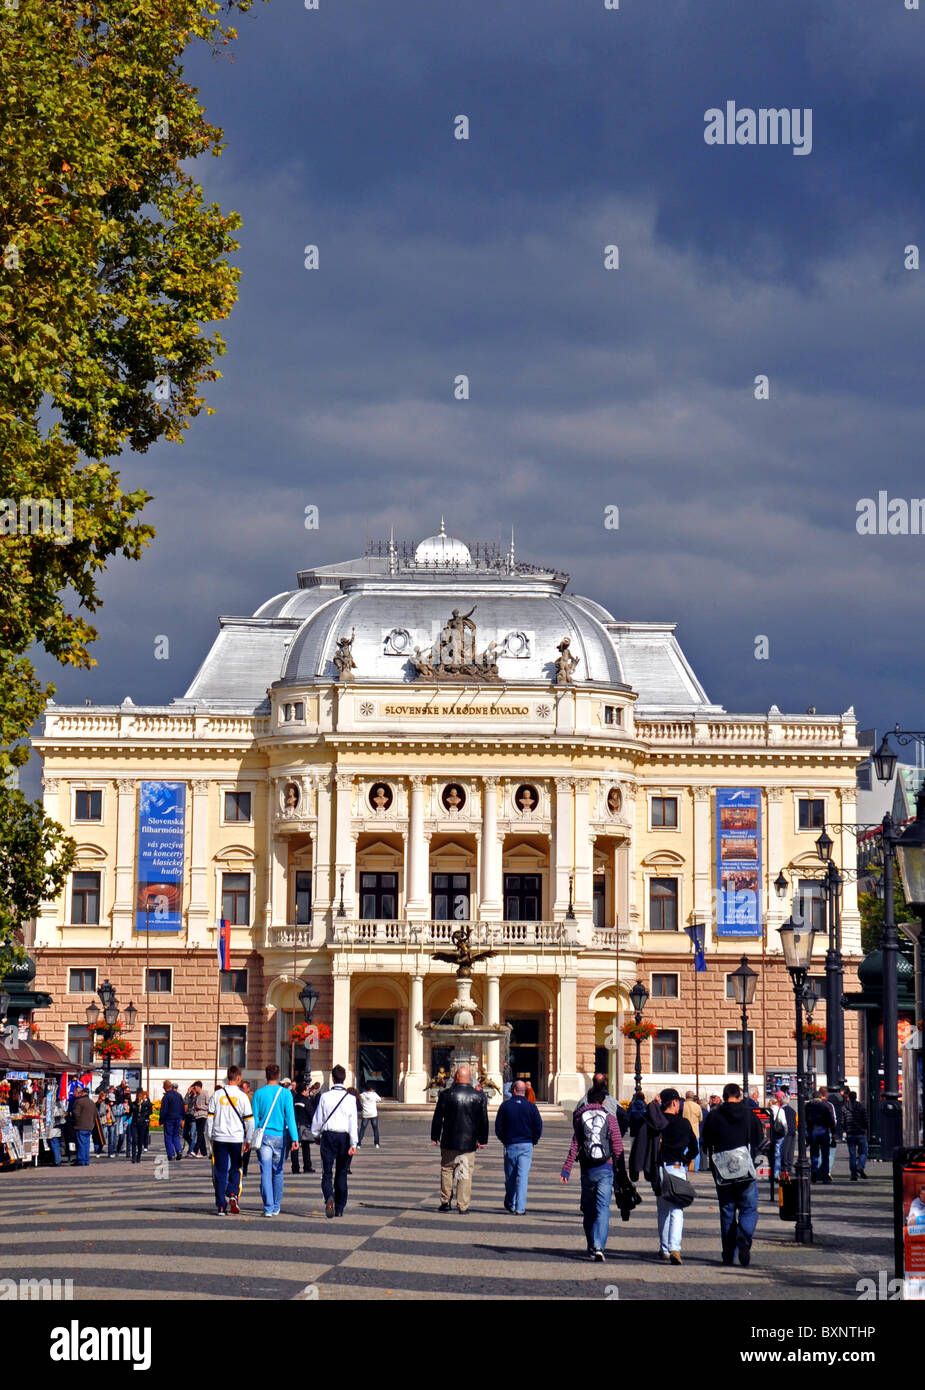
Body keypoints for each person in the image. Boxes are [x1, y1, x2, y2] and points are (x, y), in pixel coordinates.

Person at [702, 1082, 764, 1267]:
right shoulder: (749, 1115)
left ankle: (728, 1255)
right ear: (739, 1097)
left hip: (723, 1173)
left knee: (727, 1212)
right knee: (749, 1208)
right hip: (745, 1171)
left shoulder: (714, 1115)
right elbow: (759, 1140)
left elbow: (706, 1142)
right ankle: (743, 1235)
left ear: (723, 1096)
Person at [560, 1080, 624, 1261]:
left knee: (588, 1209)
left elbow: (575, 1144)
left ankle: (590, 1244)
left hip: (587, 1169)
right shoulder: (610, 1118)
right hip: (606, 1167)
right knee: (602, 1208)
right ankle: (598, 1246)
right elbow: (618, 1146)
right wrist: (623, 1171)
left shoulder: (581, 1117)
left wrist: (566, 1169)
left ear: (588, 1100)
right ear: (603, 1101)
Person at [431, 1065, 489, 1214]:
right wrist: (482, 1139)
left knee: (447, 1170)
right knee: (464, 1173)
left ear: (456, 1077)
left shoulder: (445, 1094)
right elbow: (483, 1119)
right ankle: (462, 1205)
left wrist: (435, 1136)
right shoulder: (478, 1096)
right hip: (468, 1142)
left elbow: (438, 1118)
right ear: (469, 1078)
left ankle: (445, 1202)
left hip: (449, 1140)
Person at [252, 1063, 299, 1217]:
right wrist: (295, 1138)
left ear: (266, 1076)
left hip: (264, 1136)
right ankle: (277, 1205)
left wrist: (251, 1136)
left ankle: (268, 1207)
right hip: (280, 1136)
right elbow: (290, 1117)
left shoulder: (258, 1094)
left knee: (265, 1172)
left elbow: (254, 1119)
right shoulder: (286, 1094)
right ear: (278, 1076)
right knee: (278, 1172)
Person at [312, 1065, 359, 1218]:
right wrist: (354, 1143)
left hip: (328, 1136)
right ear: (344, 1078)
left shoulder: (325, 1096)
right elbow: (353, 1123)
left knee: (326, 1172)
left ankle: (329, 1196)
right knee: (341, 1173)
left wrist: (316, 1135)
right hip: (344, 1137)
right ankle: (339, 1208)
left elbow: (318, 1119)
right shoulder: (351, 1099)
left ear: (332, 1078)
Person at [207, 1064, 255, 1215]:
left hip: (219, 1138)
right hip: (236, 1138)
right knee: (236, 1167)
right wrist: (249, 1139)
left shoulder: (217, 1095)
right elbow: (249, 1121)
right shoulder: (242, 1096)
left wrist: (210, 1138)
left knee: (220, 1171)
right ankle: (233, 1194)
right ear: (239, 1078)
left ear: (228, 1077)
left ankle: (221, 1205)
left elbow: (209, 1120)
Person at [495, 1079, 543, 1214]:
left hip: (510, 1144)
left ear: (514, 1091)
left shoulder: (505, 1106)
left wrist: (503, 1139)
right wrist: (533, 1140)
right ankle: (520, 1207)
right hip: (526, 1144)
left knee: (510, 1176)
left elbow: (498, 1126)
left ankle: (510, 1202)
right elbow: (538, 1126)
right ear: (524, 1091)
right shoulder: (531, 1107)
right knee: (522, 1177)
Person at [768, 1090, 796, 1194]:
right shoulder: (792, 1110)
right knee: (782, 1153)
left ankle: (776, 1173)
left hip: (776, 1134)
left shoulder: (774, 1110)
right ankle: (782, 1171)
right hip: (786, 1133)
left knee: (777, 1154)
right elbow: (786, 1124)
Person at [805, 1090, 835, 1184]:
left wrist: (807, 1134)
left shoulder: (808, 1106)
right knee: (825, 1154)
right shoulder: (825, 1106)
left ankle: (814, 1172)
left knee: (814, 1153)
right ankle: (825, 1175)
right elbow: (831, 1120)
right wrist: (833, 1133)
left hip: (813, 1131)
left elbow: (805, 1121)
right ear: (820, 1097)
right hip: (823, 1131)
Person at [291, 1079, 318, 1174]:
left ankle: (295, 1167)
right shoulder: (305, 1100)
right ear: (303, 1091)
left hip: (294, 1124)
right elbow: (311, 1113)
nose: (308, 1091)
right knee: (306, 1147)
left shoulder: (294, 1099)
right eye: (307, 1090)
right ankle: (307, 1166)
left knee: (294, 1147)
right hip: (304, 1125)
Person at [843, 1090, 869, 1181]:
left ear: (849, 1097)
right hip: (860, 1133)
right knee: (864, 1152)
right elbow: (865, 1120)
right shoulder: (861, 1107)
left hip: (850, 1133)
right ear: (856, 1097)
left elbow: (843, 1121)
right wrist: (865, 1127)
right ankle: (860, 1166)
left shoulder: (844, 1107)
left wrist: (845, 1129)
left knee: (852, 1155)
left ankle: (853, 1175)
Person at [819, 1086, 843, 1177]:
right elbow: (834, 1120)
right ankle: (827, 1171)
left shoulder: (812, 1104)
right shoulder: (829, 1105)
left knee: (818, 1152)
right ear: (826, 1094)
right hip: (826, 1131)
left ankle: (818, 1170)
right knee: (829, 1152)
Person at [71, 1087, 97, 1166]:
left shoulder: (79, 1102)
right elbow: (95, 1114)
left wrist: (75, 1122)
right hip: (89, 1126)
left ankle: (81, 1160)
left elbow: (75, 1113)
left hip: (80, 1125)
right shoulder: (91, 1102)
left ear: (82, 1093)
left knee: (81, 1143)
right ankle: (86, 1160)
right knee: (86, 1143)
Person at [160, 1081, 186, 1161]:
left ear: (165, 1087)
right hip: (178, 1118)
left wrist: (161, 1121)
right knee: (176, 1135)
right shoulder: (179, 1095)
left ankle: (171, 1154)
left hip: (169, 1118)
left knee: (168, 1136)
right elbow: (182, 1107)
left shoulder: (166, 1097)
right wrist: (183, 1118)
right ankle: (179, 1150)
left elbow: (164, 1110)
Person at [129, 1090, 152, 1163]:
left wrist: (145, 1113)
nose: (139, 1098)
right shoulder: (133, 1104)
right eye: (138, 1097)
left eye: (140, 1097)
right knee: (134, 1140)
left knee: (140, 1140)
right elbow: (130, 1113)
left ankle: (138, 1156)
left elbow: (150, 1111)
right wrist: (126, 1120)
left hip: (142, 1124)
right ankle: (133, 1157)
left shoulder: (146, 1104)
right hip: (134, 1123)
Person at [357, 1082, 382, 1149]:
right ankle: (377, 1143)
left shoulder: (362, 1095)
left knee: (362, 1129)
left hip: (365, 1113)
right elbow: (379, 1099)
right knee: (375, 1129)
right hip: (373, 1113)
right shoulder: (374, 1094)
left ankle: (358, 1143)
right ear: (371, 1088)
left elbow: (360, 1100)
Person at [682, 1091, 703, 1171]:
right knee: (696, 1150)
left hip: (684, 1131)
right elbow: (700, 1119)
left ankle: (685, 1167)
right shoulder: (697, 1106)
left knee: (685, 1150)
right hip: (695, 1131)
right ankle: (696, 1168)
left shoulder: (683, 1105)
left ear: (686, 1096)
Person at [191, 1083, 210, 1157]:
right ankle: (204, 1152)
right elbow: (193, 1104)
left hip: (203, 1115)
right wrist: (195, 1108)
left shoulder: (205, 1093)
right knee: (200, 1134)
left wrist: (200, 1107)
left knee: (200, 1133)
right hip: (197, 1116)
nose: (195, 1089)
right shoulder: (196, 1095)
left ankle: (195, 1150)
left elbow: (208, 1106)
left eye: (195, 1088)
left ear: (199, 1087)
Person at [96, 1090, 113, 1157]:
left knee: (111, 1138)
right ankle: (98, 1151)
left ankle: (110, 1152)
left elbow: (112, 1112)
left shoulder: (108, 1103)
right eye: (103, 1096)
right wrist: (106, 1111)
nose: (104, 1098)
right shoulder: (99, 1104)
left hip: (110, 1121)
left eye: (105, 1096)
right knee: (103, 1137)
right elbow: (99, 1113)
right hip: (104, 1122)